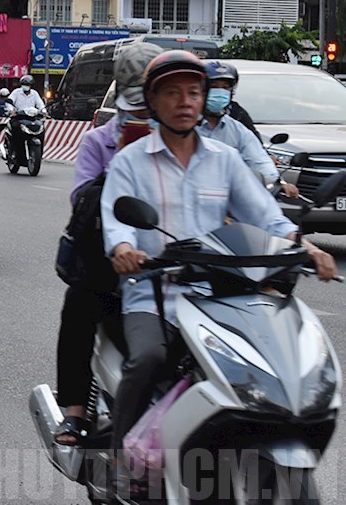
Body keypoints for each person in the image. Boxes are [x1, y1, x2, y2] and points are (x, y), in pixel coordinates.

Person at [99, 50, 337, 497]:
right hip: (154, 288)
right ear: (153, 102)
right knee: (149, 358)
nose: (186, 102)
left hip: (219, 291)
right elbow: (117, 222)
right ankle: (119, 461)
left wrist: (304, 247)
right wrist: (125, 247)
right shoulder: (132, 161)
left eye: (194, 92)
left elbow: (267, 218)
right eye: (173, 93)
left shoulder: (225, 159)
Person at [52, 42, 163, 447]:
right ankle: (75, 413)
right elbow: (80, 199)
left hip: (175, 258)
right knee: (79, 309)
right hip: (108, 258)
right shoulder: (100, 141)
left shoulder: (189, 138)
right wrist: (124, 164)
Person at [198, 60, 298, 196]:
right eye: (214, 87)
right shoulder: (186, 126)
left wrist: (277, 182)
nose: (220, 92)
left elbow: (258, 159)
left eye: (225, 87)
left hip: (232, 197)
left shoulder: (237, 128)